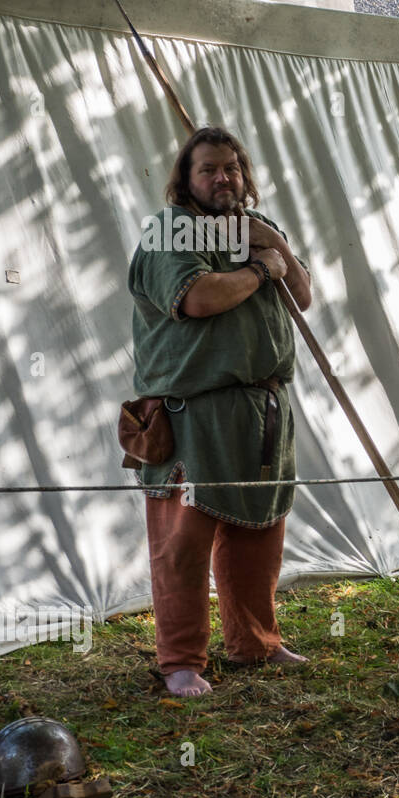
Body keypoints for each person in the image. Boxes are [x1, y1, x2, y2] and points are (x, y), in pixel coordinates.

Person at [128, 126, 313, 698]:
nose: (221, 179)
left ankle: (255, 640)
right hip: (193, 411)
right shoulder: (168, 232)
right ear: (185, 180)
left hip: (263, 407)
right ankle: (181, 660)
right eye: (207, 169)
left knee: (258, 528)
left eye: (231, 168)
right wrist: (261, 271)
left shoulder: (259, 230)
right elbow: (198, 298)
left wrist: (270, 245)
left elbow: (302, 294)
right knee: (184, 539)